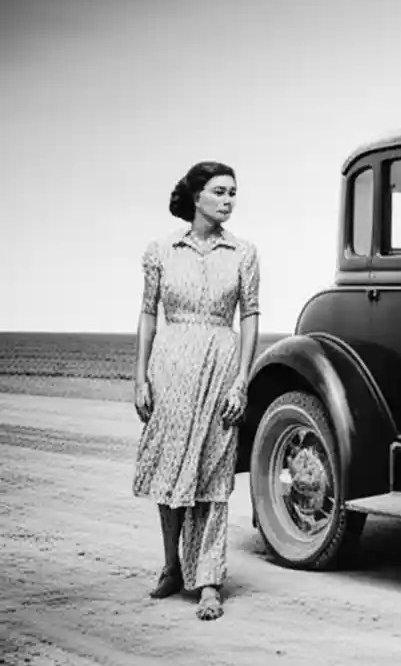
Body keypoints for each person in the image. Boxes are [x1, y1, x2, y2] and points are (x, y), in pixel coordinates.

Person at [131, 160, 260, 621]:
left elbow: (250, 317)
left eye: (233, 193)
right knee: (169, 472)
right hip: (171, 367)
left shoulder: (243, 253)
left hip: (221, 365)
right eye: (220, 192)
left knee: (214, 476)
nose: (229, 201)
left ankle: (208, 581)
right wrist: (140, 375)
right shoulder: (161, 250)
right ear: (197, 196)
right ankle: (171, 567)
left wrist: (242, 380)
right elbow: (148, 314)